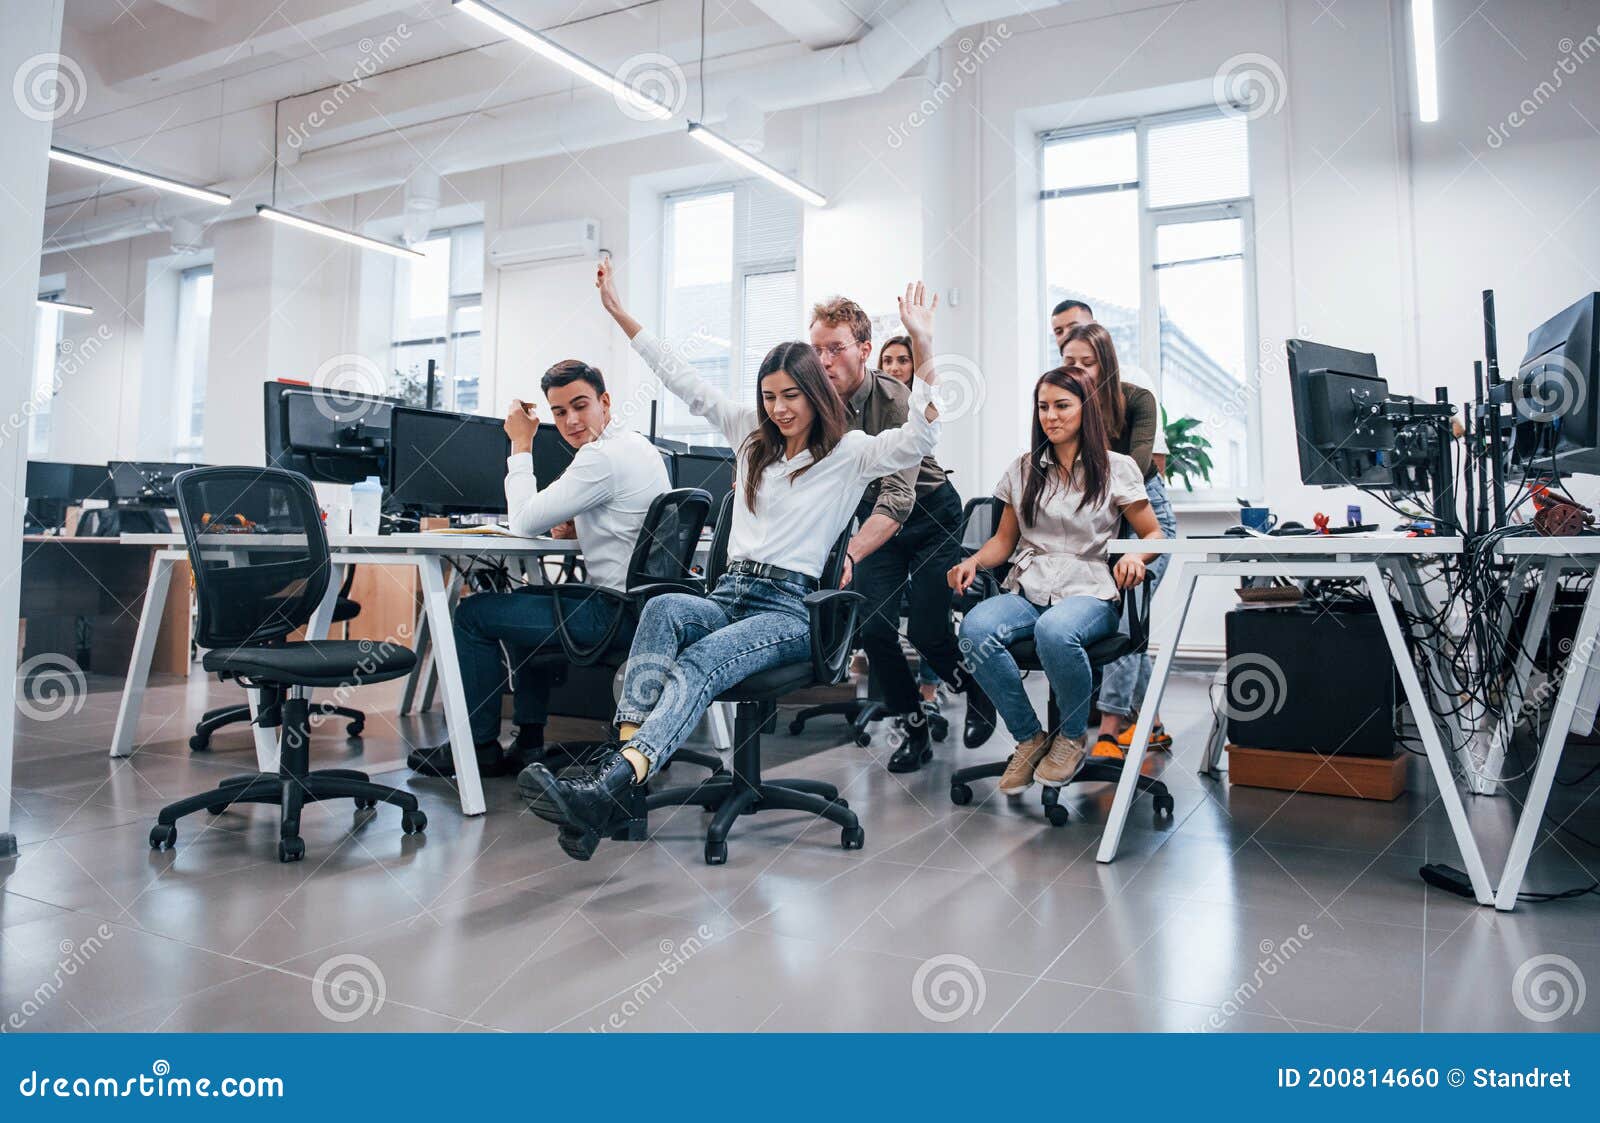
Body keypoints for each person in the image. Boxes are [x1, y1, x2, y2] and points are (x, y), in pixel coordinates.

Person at [517, 260, 945, 860]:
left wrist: (924, 344)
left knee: (703, 658)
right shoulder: (750, 433)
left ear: (816, 393)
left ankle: (609, 786)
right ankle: (617, 782)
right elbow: (681, 376)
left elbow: (922, 436)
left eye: (792, 396)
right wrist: (619, 313)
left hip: (791, 609)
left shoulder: (849, 452)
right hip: (728, 594)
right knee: (662, 609)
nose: (780, 409)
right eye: (770, 397)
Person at [406, 359, 669, 779]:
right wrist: (582, 522)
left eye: (580, 405)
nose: (571, 421)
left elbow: (524, 523)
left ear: (605, 402)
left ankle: (477, 748)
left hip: (614, 615)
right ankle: (528, 742)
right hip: (646, 612)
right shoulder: (639, 447)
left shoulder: (599, 457)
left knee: (473, 615)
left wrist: (521, 443)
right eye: (559, 412)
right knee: (524, 598)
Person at [948, 367, 1163, 794]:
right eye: (1043, 407)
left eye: (1062, 406)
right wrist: (973, 560)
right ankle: (1030, 737)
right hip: (1029, 586)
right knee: (974, 630)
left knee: (1055, 630)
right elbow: (1003, 542)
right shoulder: (1023, 469)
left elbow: (1153, 533)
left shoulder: (1117, 468)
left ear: (1086, 409)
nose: (1051, 416)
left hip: (1091, 591)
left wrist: (1135, 556)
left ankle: (1071, 737)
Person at [810, 296, 995, 770]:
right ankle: (914, 731)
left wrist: (849, 553)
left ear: (863, 350)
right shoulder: (817, 403)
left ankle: (978, 690)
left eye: (835, 349)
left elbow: (898, 497)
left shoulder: (894, 399)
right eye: (816, 350)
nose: (823, 361)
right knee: (873, 630)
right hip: (876, 520)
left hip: (928, 514)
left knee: (930, 632)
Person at [1053, 310, 1180, 758]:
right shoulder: (1066, 407)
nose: (1076, 370)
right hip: (1103, 521)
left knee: (1127, 620)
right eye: (1069, 361)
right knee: (1130, 626)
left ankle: (1108, 730)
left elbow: (1139, 466)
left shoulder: (1137, 399)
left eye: (1086, 362)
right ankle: (1153, 724)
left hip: (1147, 521)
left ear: (1105, 363)